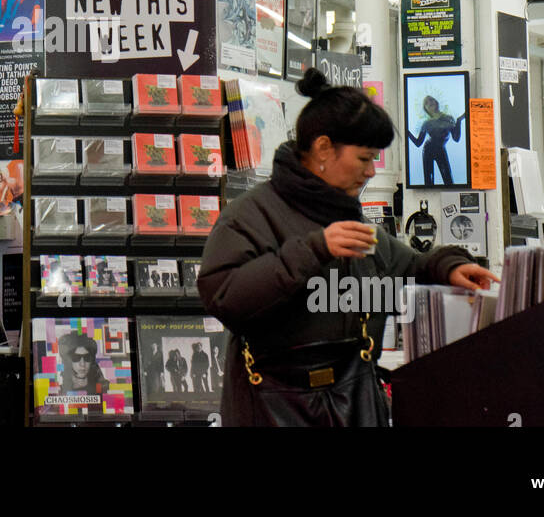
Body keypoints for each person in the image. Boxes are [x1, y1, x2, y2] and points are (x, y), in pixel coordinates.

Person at [197, 68, 498, 427]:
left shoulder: (345, 215)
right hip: (271, 409)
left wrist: (447, 266)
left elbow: (409, 264)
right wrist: (313, 250)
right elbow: (224, 296)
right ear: (324, 148)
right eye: (364, 158)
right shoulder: (249, 215)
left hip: (352, 401)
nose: (371, 172)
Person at [406, 95, 466, 186]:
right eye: (426, 103)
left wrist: (459, 120)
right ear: (426, 109)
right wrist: (406, 131)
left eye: (431, 100)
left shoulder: (449, 119)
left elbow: (456, 138)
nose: (429, 102)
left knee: (448, 181)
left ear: (436, 102)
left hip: (441, 150)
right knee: (428, 181)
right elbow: (418, 143)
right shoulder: (427, 123)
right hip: (428, 150)